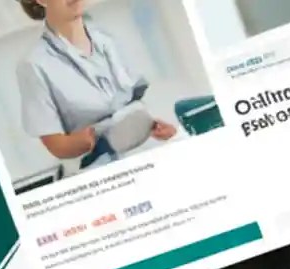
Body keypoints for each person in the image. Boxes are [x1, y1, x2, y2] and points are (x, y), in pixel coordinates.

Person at [15, 0, 178, 169]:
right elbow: (57, 145)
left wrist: (158, 130)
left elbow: (131, 103)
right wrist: (86, 141)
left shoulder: (107, 40)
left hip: (149, 153)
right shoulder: (34, 65)